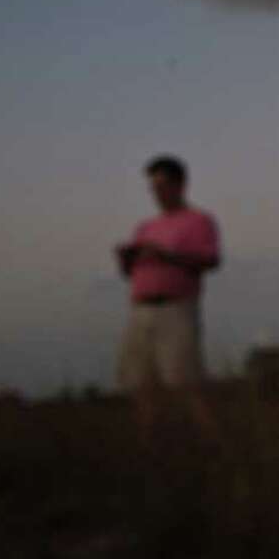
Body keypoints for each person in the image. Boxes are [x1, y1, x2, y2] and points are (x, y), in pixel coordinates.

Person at [114, 155, 222, 449]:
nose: (157, 193)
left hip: (176, 308)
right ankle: (148, 447)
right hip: (141, 308)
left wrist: (167, 256)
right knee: (141, 384)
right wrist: (127, 260)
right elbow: (129, 272)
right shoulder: (145, 227)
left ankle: (213, 444)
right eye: (153, 187)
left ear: (180, 185)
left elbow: (210, 261)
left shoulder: (199, 221)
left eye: (162, 186)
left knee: (185, 382)